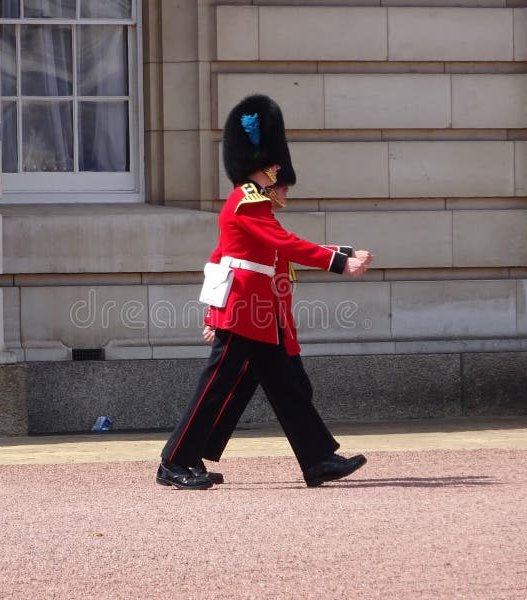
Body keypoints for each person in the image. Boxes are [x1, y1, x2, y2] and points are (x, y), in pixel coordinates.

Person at [156, 94, 372, 490]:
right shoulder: (247, 201)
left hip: (258, 315)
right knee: (215, 386)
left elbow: (220, 259)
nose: (278, 169)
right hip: (243, 312)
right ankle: (174, 460)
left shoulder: (252, 204)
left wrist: (210, 312)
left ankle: (318, 459)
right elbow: (284, 244)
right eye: (274, 163)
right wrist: (340, 261)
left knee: (289, 386)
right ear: (259, 164)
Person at [199, 180, 369, 485]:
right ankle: (189, 453)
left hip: (272, 322)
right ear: (268, 189)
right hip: (249, 319)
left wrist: (345, 253)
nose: (288, 192)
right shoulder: (251, 211)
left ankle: (318, 461)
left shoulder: (265, 219)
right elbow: (221, 262)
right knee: (227, 394)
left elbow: (290, 249)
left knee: (292, 389)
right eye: (283, 186)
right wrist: (213, 317)